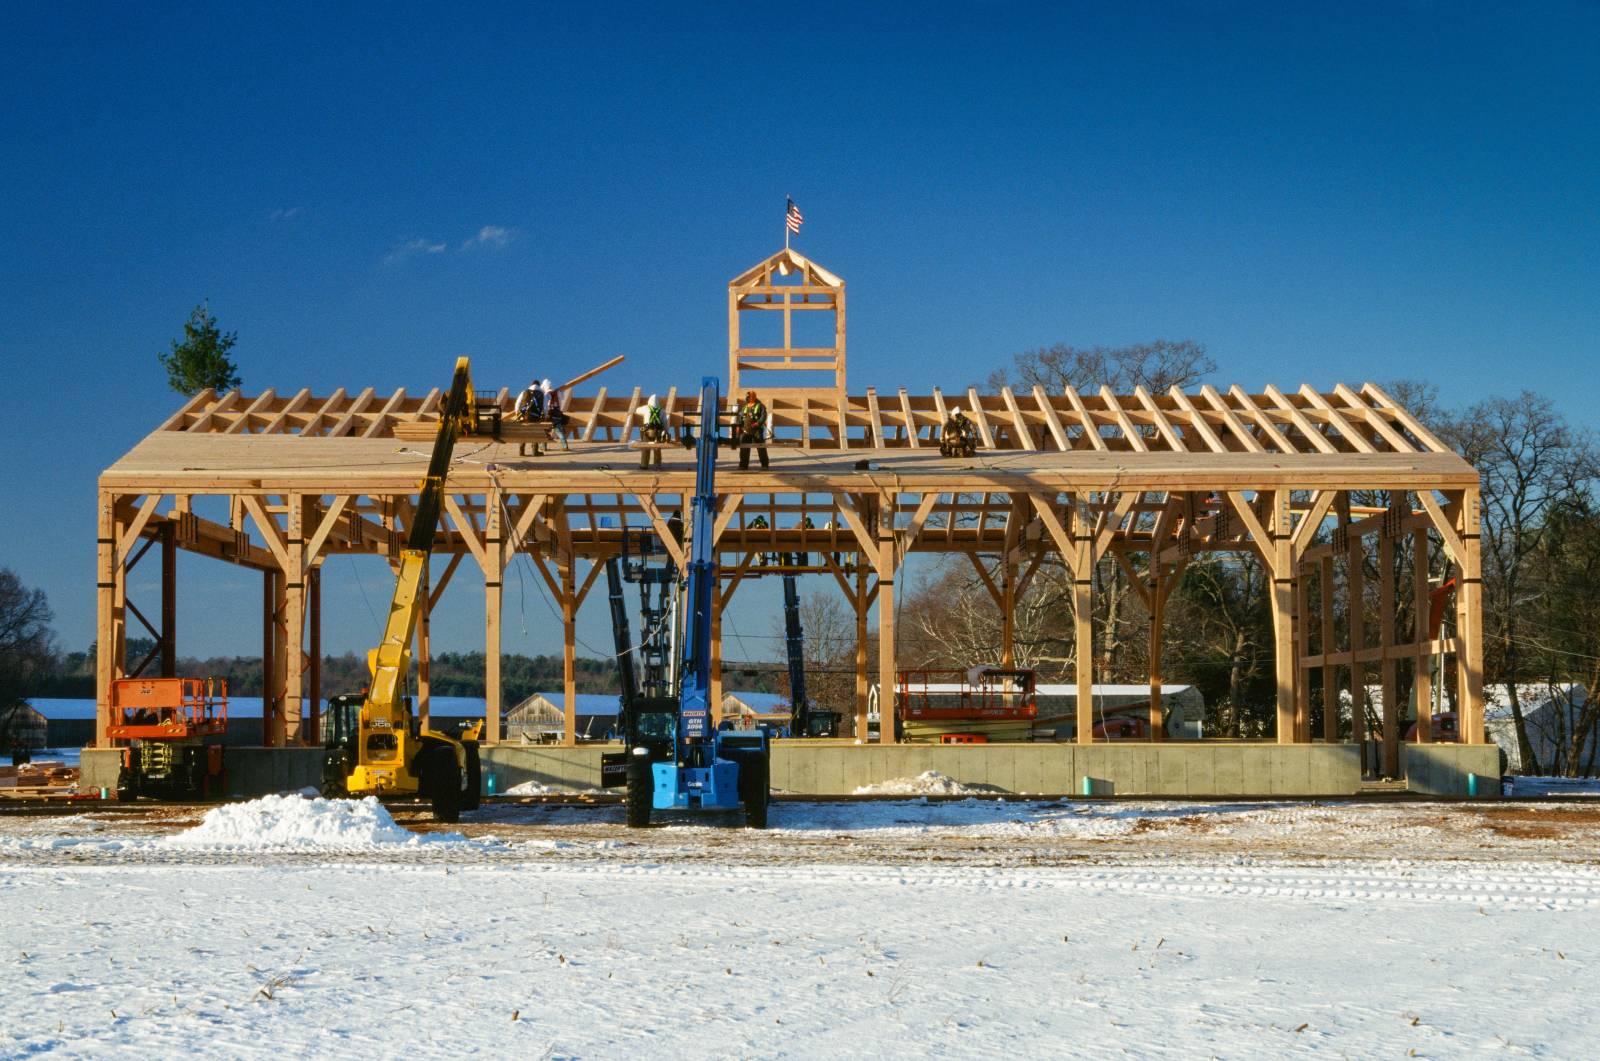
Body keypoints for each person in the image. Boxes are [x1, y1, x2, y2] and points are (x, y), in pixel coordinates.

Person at [737, 390, 769, 470]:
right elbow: (740, 418)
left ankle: (764, 465)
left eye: (749, 396)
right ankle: (743, 465)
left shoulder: (760, 406)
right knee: (744, 447)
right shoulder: (744, 407)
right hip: (746, 430)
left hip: (757, 430)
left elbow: (763, 416)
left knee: (761, 447)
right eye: (747, 397)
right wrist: (739, 427)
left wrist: (758, 423)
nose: (748, 398)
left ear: (753, 397)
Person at [637, 393, 667, 468]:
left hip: (648, 431)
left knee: (646, 448)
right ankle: (657, 464)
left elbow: (637, 410)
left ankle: (644, 464)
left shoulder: (646, 408)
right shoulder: (662, 411)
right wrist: (665, 432)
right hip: (658, 432)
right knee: (657, 448)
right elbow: (665, 422)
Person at [542, 378, 569, 449]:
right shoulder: (558, 392)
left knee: (544, 430)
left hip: (550, 414)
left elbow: (546, 405)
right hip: (557, 414)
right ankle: (565, 446)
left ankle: (543, 447)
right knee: (559, 430)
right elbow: (561, 400)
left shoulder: (546, 394)